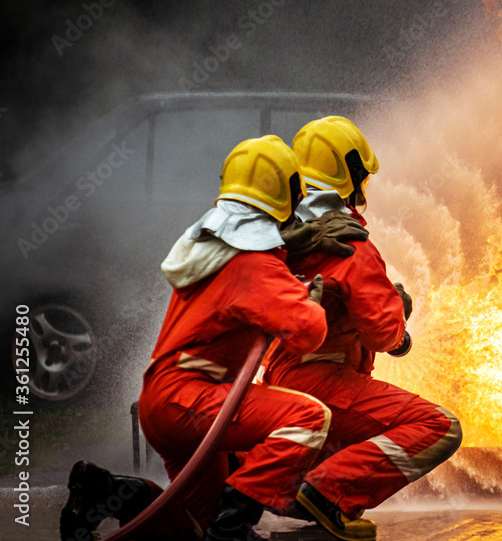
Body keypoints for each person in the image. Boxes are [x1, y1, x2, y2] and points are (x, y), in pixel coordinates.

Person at [138, 135, 350, 541]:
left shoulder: (210, 247)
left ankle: (108, 491)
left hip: (161, 401)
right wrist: (312, 300)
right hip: (192, 400)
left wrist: (286, 251)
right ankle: (234, 528)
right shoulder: (254, 264)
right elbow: (308, 332)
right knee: (308, 417)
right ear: (287, 193)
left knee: (194, 524)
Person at [265, 116, 462, 541]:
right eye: (362, 177)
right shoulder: (348, 242)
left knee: (350, 428)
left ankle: (294, 488)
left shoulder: (281, 234)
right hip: (319, 382)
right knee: (439, 428)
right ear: (350, 175)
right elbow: (384, 333)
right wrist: (399, 316)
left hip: (278, 381)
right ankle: (327, 494)